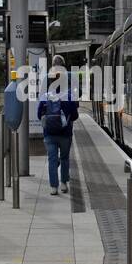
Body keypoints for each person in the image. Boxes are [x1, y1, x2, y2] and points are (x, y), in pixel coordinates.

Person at [37, 55, 79, 195]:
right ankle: (63, 184)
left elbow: (39, 114)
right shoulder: (69, 92)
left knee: (52, 158)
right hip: (65, 132)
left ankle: (53, 187)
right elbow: (75, 115)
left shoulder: (45, 90)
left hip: (49, 132)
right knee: (65, 158)